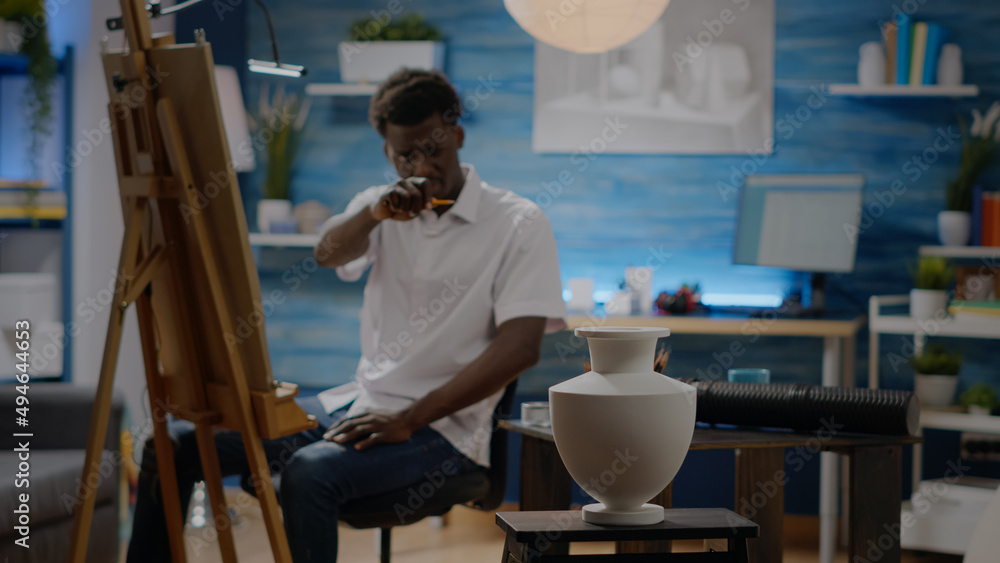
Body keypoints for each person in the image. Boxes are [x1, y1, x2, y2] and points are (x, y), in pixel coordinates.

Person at [126, 68, 566, 563]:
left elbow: (521, 347)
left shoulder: (518, 222)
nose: (421, 165)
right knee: (174, 443)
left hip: (446, 431)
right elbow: (326, 252)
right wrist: (375, 213)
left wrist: (410, 417)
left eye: (434, 148)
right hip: (359, 404)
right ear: (386, 152)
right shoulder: (379, 208)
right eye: (405, 154)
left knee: (310, 471)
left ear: (457, 135)